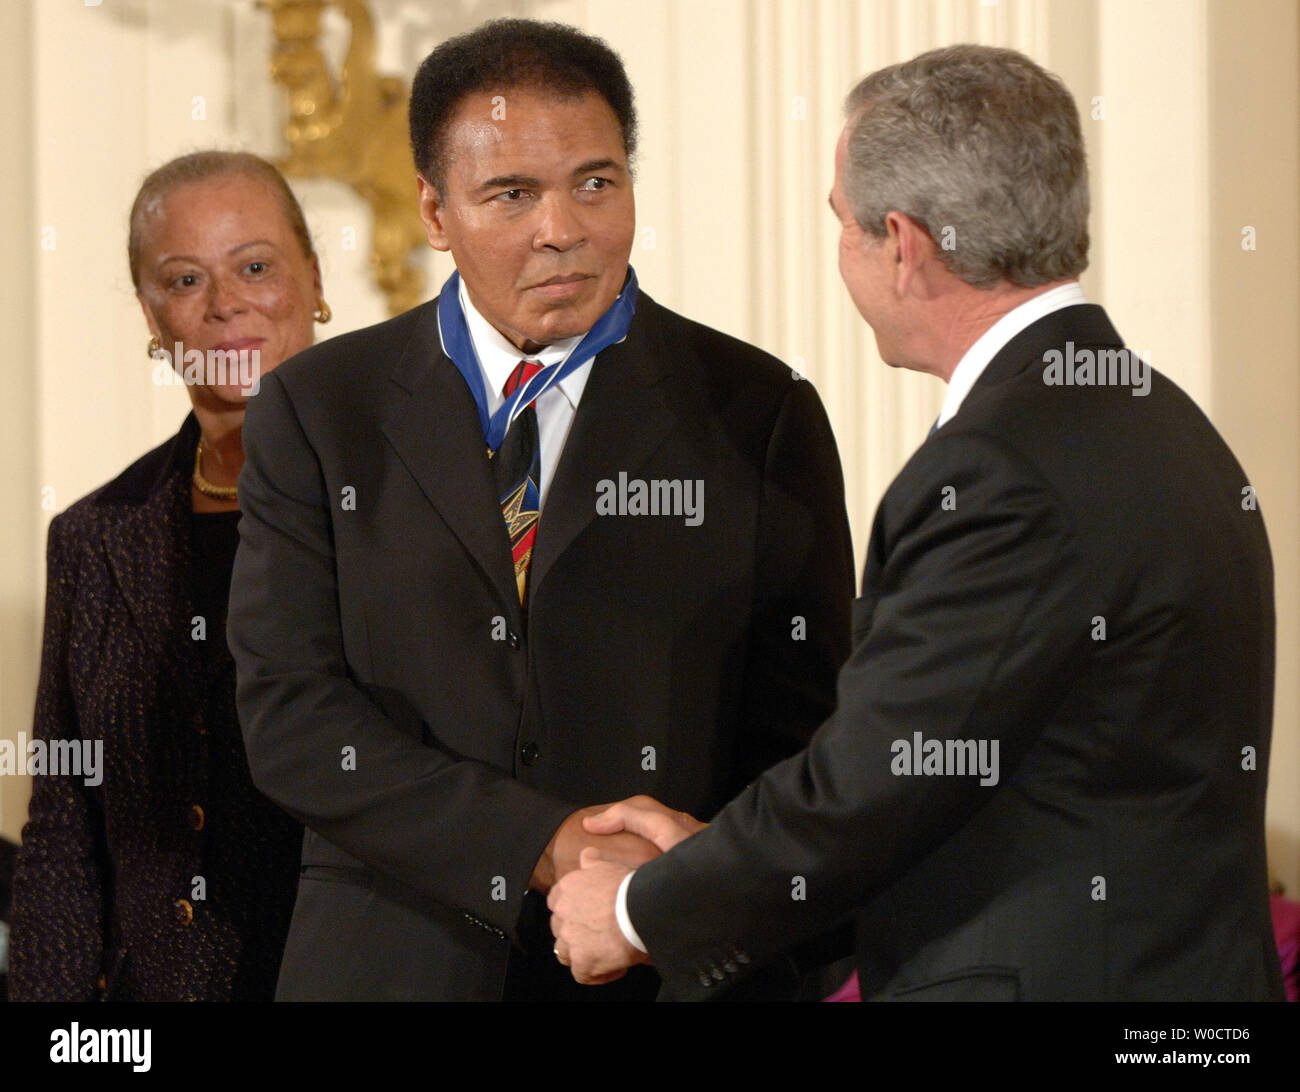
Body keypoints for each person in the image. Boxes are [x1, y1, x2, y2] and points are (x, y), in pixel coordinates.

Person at [549, 43, 1287, 1002]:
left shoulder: (1002, 469)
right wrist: (721, 862)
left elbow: (874, 784)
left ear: (903, 242)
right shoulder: (1158, 416)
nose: (844, 254)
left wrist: (639, 908)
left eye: (844, 227)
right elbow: (961, 780)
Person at [226, 17, 854, 1002]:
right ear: (434, 211)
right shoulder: (318, 408)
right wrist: (541, 844)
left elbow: (804, 743)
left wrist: (679, 894)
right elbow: (290, 717)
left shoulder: (757, 411)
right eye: (511, 195)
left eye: (594, 182)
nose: (561, 227)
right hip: (389, 964)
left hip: (662, 969)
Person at [9, 151, 327, 1001]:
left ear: (314, 281)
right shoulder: (93, 535)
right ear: (154, 321)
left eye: (255, 267)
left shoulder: (408, 504)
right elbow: (63, 830)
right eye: (185, 281)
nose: (226, 306)